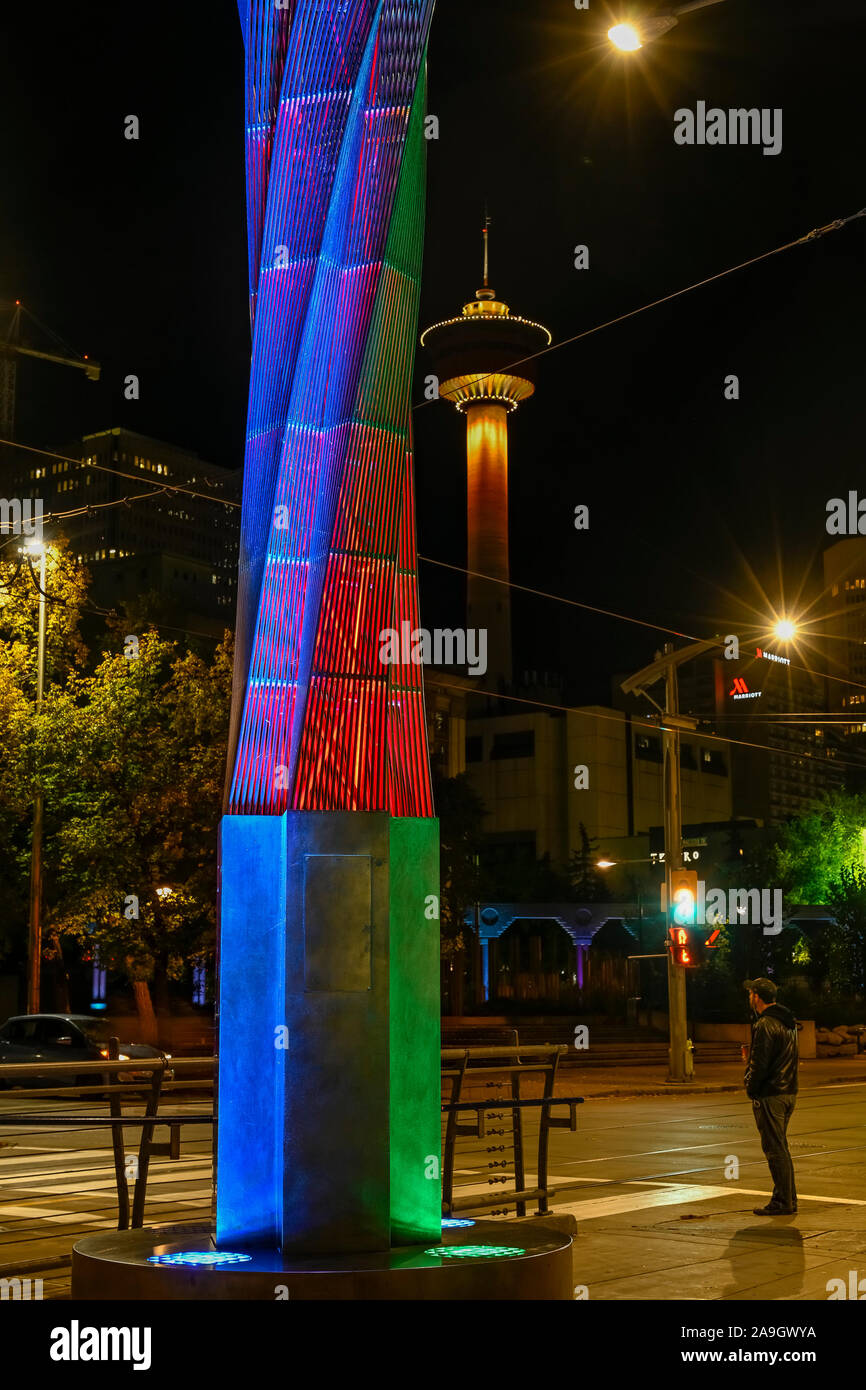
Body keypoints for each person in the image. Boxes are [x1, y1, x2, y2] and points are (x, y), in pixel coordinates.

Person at [742, 978, 799, 1215]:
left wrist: (750, 1086)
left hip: (771, 1093)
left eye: (751, 993)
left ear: (757, 996)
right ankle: (786, 1197)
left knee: (775, 1149)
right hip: (788, 1091)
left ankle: (783, 1202)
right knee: (780, 1147)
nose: (749, 997)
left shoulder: (765, 1024)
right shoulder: (788, 1022)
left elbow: (760, 1063)